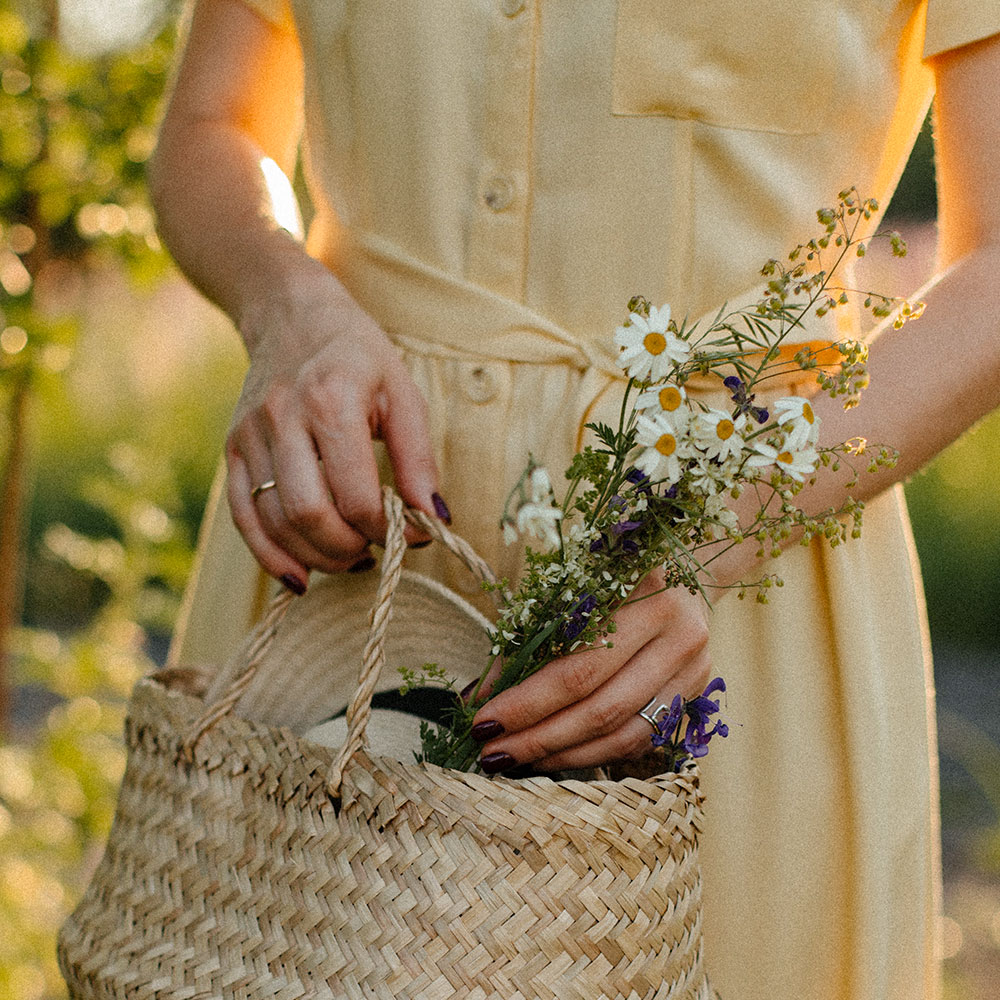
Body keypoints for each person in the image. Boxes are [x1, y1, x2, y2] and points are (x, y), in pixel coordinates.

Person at [149, 2, 1000, 997]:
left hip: (720, 624)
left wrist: (702, 537)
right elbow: (212, 125)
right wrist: (287, 310)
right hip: (347, 566)